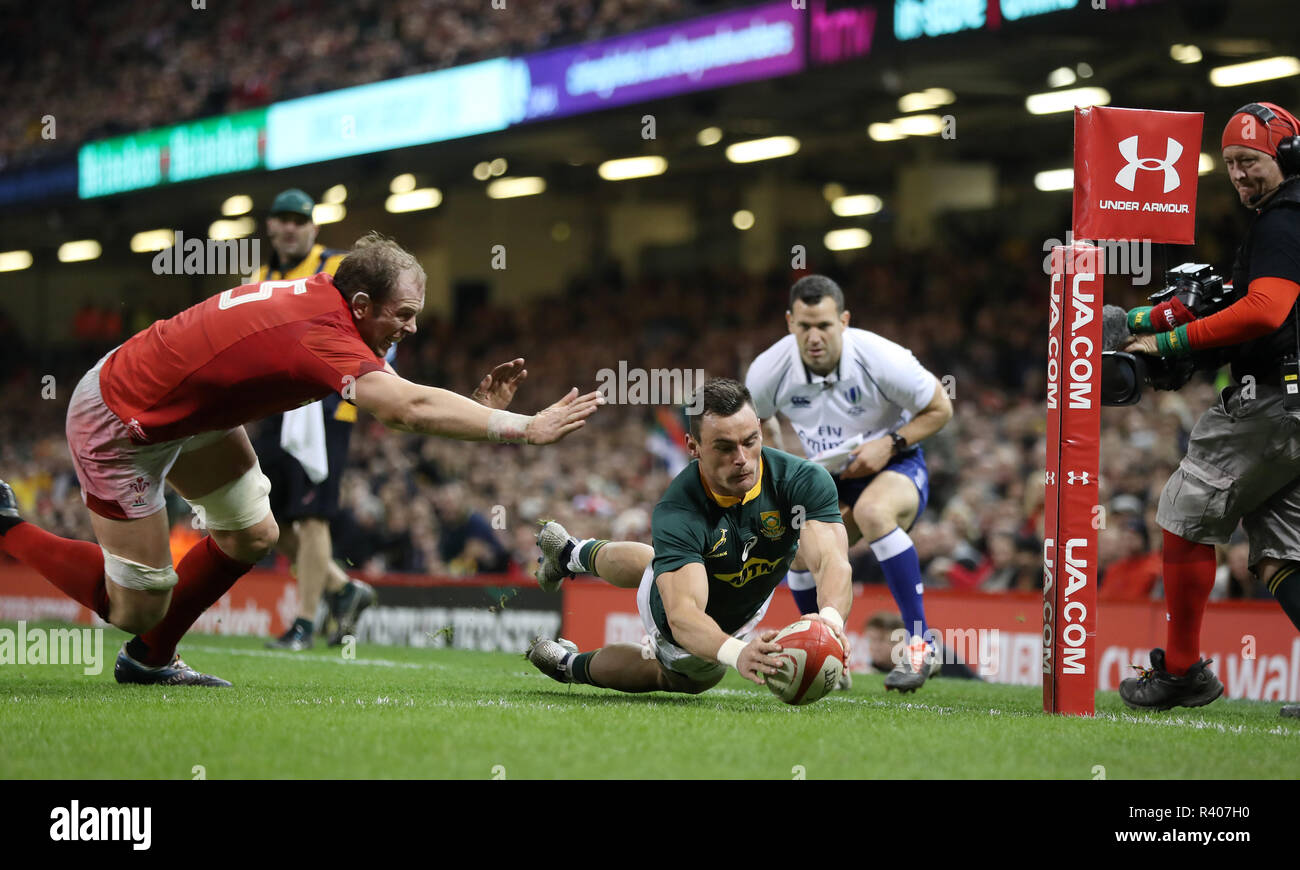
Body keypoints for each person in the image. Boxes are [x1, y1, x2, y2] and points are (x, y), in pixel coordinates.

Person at [0, 232, 602, 686]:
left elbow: (405, 396)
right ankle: (12, 529)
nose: (414, 329)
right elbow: (403, 409)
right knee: (136, 604)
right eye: (406, 314)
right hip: (121, 416)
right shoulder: (321, 331)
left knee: (254, 534)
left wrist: (474, 410)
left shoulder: (332, 308)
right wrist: (522, 426)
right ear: (362, 305)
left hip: (184, 407)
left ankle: (151, 660)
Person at [1120, 101, 1300, 714]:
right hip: (1293, 408)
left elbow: (1266, 310)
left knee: (1182, 514)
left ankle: (1181, 670)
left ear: (1288, 157)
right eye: (1230, 165)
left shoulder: (1285, 217)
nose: (1241, 175)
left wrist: (1167, 340)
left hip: (1274, 400)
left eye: (1251, 161)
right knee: (1280, 553)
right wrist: (1157, 318)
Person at [526, 377, 853, 696]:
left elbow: (831, 560)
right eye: (724, 447)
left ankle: (570, 552)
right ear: (693, 447)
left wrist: (831, 621)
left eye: (750, 441)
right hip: (689, 622)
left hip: (734, 585)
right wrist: (737, 652)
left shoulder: (804, 480)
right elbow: (683, 615)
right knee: (680, 677)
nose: (741, 458)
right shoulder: (679, 511)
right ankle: (566, 664)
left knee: (658, 563)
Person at [744, 274, 953, 691]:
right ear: (790, 323)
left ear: (844, 320)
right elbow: (758, 419)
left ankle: (920, 645)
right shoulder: (768, 369)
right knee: (800, 549)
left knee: (873, 512)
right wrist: (785, 468)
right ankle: (826, 652)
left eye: (824, 325)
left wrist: (888, 444)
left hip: (895, 466)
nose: (814, 336)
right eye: (804, 326)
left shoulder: (881, 358)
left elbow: (940, 408)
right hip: (830, 475)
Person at [250, 189, 374, 651]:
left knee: (312, 516)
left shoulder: (338, 268)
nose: (289, 227)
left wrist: (365, 378)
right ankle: (343, 590)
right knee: (265, 521)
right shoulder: (259, 277)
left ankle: (303, 623)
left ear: (313, 227)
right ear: (269, 226)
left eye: (298, 220)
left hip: (324, 408)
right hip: (276, 411)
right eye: (281, 218)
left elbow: (375, 324)